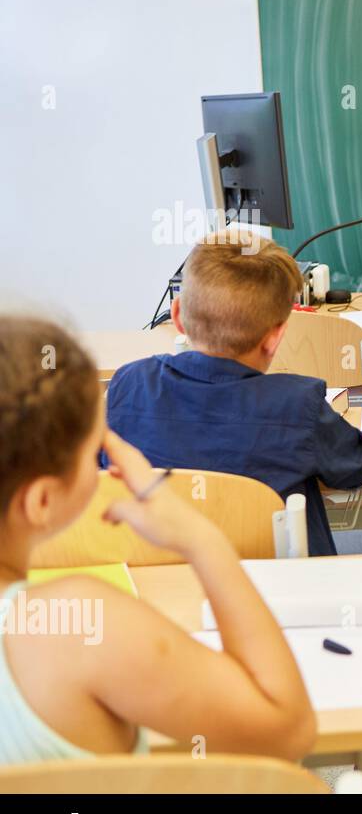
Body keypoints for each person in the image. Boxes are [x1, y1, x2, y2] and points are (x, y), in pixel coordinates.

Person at [0, 316, 314, 765]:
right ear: (42, 501)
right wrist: (200, 538)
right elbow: (288, 731)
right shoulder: (79, 625)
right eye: (94, 452)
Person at [106, 231, 362, 556]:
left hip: (158, 589)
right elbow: (358, 468)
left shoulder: (128, 385)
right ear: (275, 338)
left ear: (177, 316)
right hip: (277, 594)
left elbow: (104, 473)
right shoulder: (297, 405)